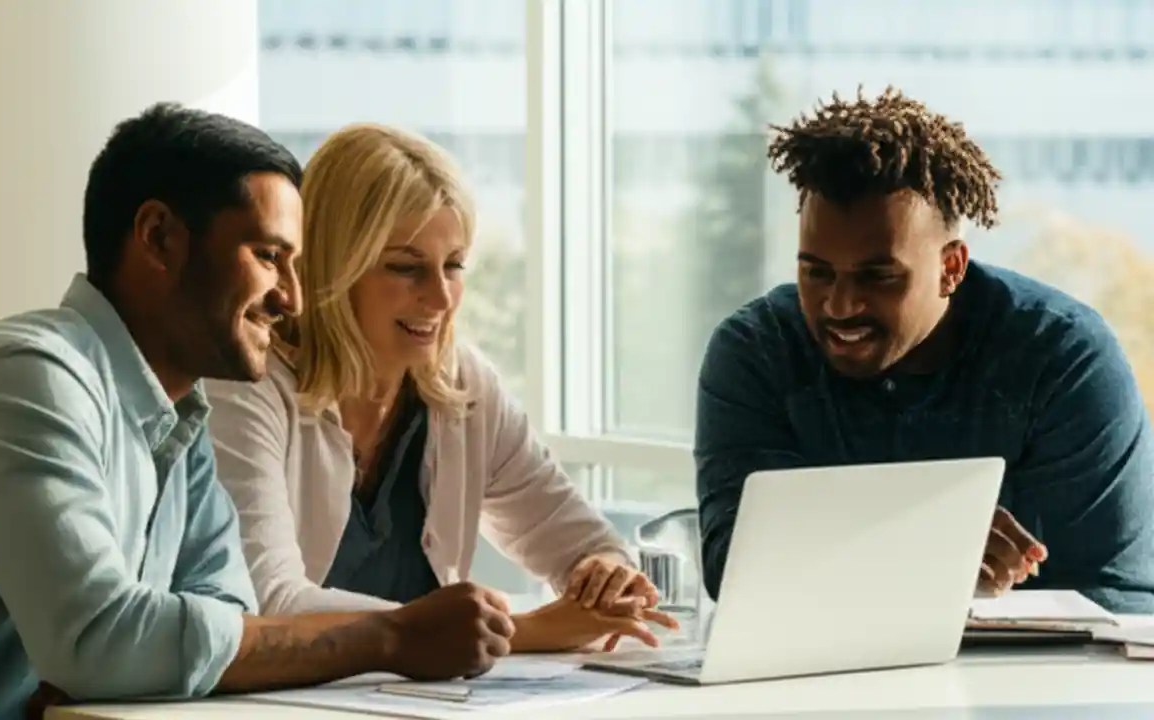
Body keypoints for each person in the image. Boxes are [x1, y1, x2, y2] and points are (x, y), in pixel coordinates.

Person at [0, 104, 521, 720]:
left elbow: (234, 625)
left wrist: (159, 652)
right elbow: (104, 641)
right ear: (159, 239)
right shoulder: (27, 382)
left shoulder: (181, 419)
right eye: (269, 257)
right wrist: (390, 637)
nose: (292, 299)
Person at [205, 123, 675, 652]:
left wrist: (605, 575)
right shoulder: (244, 388)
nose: (442, 297)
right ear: (330, 269)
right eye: (407, 268)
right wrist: (521, 632)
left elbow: (580, 541)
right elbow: (268, 602)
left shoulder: (462, 385)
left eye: (454, 266)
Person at [695, 87, 1154, 613]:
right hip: (825, 682)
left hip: (1033, 687)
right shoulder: (755, 353)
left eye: (879, 277)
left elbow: (1113, 600)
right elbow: (734, 568)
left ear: (951, 268)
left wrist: (867, 554)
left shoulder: (1065, 360)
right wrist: (932, 540)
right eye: (815, 272)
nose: (840, 305)